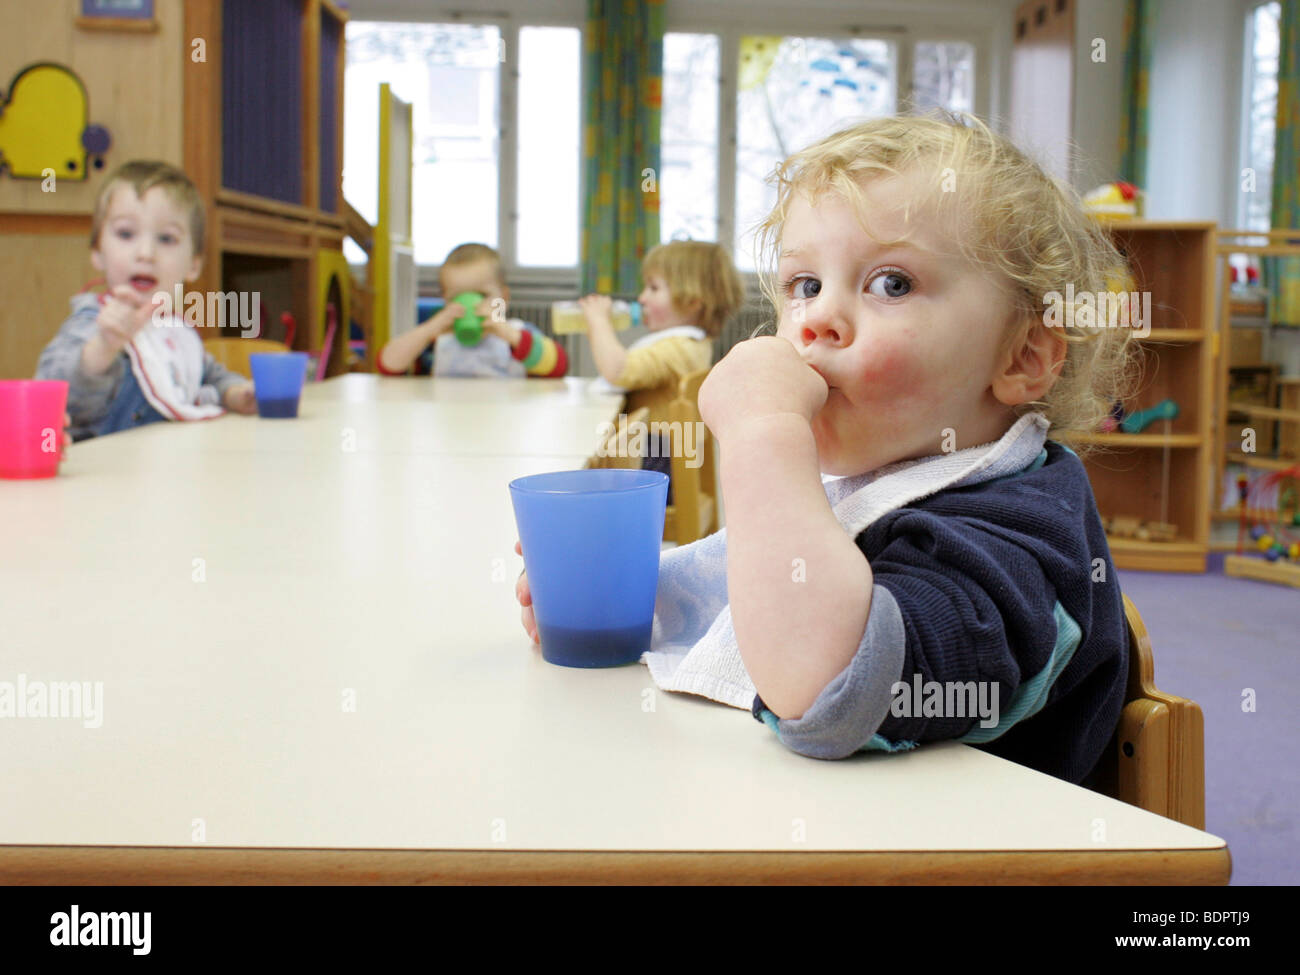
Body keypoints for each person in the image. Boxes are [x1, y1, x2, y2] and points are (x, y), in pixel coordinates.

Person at [518, 114, 1137, 786]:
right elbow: (759, 594)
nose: (816, 318)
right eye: (804, 285)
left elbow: (829, 689)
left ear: (1022, 356)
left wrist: (762, 434)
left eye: (891, 283)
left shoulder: (1018, 539)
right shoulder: (886, 469)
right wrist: (635, 602)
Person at [36, 160, 256, 441]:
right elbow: (57, 395)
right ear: (97, 252)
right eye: (126, 234)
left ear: (194, 265)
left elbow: (208, 374)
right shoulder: (93, 322)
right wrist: (104, 347)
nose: (146, 253)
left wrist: (236, 394)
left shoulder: (174, 330)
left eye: (166, 238)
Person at [578, 240, 743, 492]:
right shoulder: (694, 344)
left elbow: (617, 371)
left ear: (692, 301)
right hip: (665, 461)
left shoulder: (679, 350)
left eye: (653, 288)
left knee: (582, 472)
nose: (642, 297)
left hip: (658, 469)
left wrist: (599, 321)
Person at [377, 243, 567, 378]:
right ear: (445, 301)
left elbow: (559, 365)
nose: (473, 306)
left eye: (482, 295)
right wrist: (429, 330)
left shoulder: (517, 335)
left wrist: (509, 334)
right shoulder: (438, 339)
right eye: (457, 298)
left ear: (504, 298)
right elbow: (387, 365)